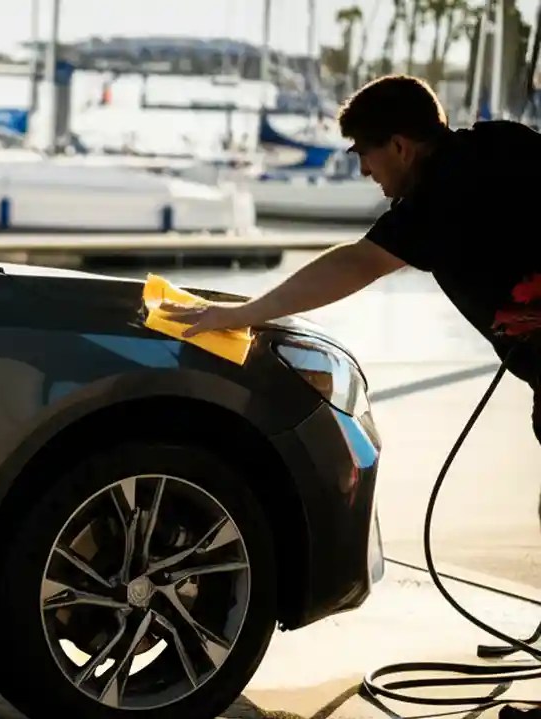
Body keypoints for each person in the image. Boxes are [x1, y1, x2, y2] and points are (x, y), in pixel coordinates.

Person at [165, 74, 541, 455]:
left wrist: (241, 313)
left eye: (363, 153)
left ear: (399, 147)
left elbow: (355, 263)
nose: (363, 170)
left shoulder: (433, 206)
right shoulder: (504, 139)